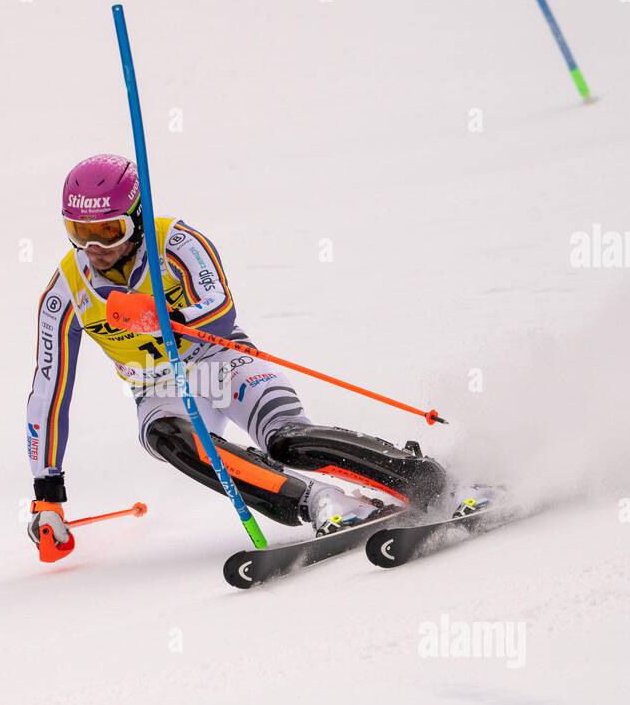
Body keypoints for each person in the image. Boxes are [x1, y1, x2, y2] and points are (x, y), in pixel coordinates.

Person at [26, 154, 446, 554]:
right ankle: (322, 501)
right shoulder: (65, 292)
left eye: (108, 231)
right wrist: (47, 496)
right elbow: (49, 392)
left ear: (136, 218)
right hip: (156, 385)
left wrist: (165, 317)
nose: (94, 248)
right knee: (168, 438)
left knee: (285, 441)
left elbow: (221, 312)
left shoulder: (176, 242)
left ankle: (420, 476)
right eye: (80, 233)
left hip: (219, 360)